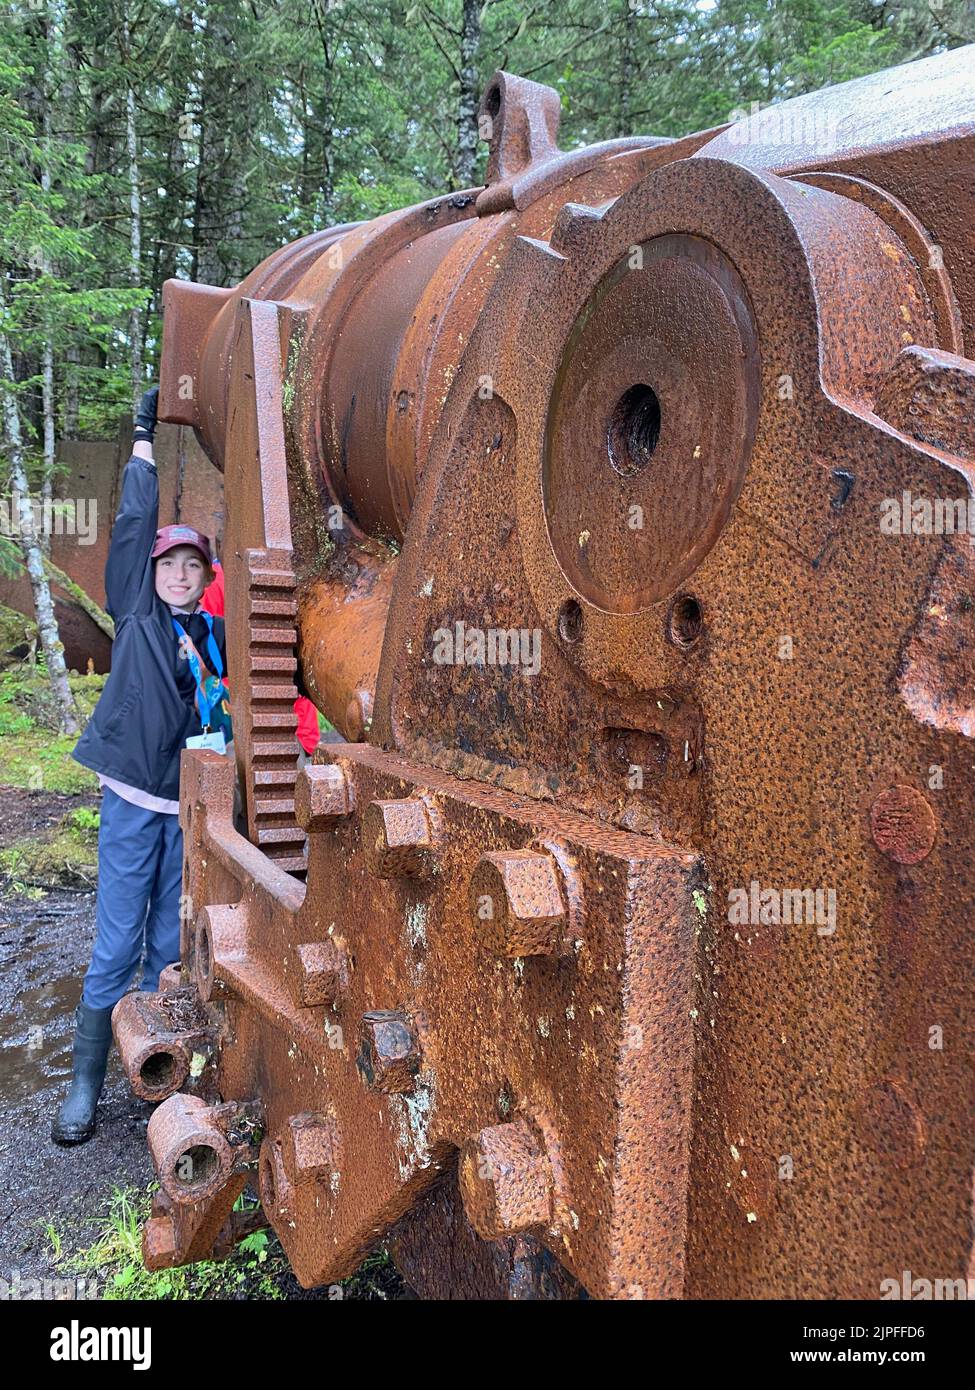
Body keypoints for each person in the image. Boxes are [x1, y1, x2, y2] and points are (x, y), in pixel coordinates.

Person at [52, 386, 228, 1145]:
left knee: (167, 948)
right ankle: (84, 1082)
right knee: (118, 943)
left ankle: (157, 1072)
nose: (180, 574)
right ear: (153, 572)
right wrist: (142, 441)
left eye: (192, 565)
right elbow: (131, 528)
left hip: (185, 806)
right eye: (171, 563)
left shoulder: (219, 635)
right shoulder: (138, 611)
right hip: (131, 795)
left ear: (204, 574)